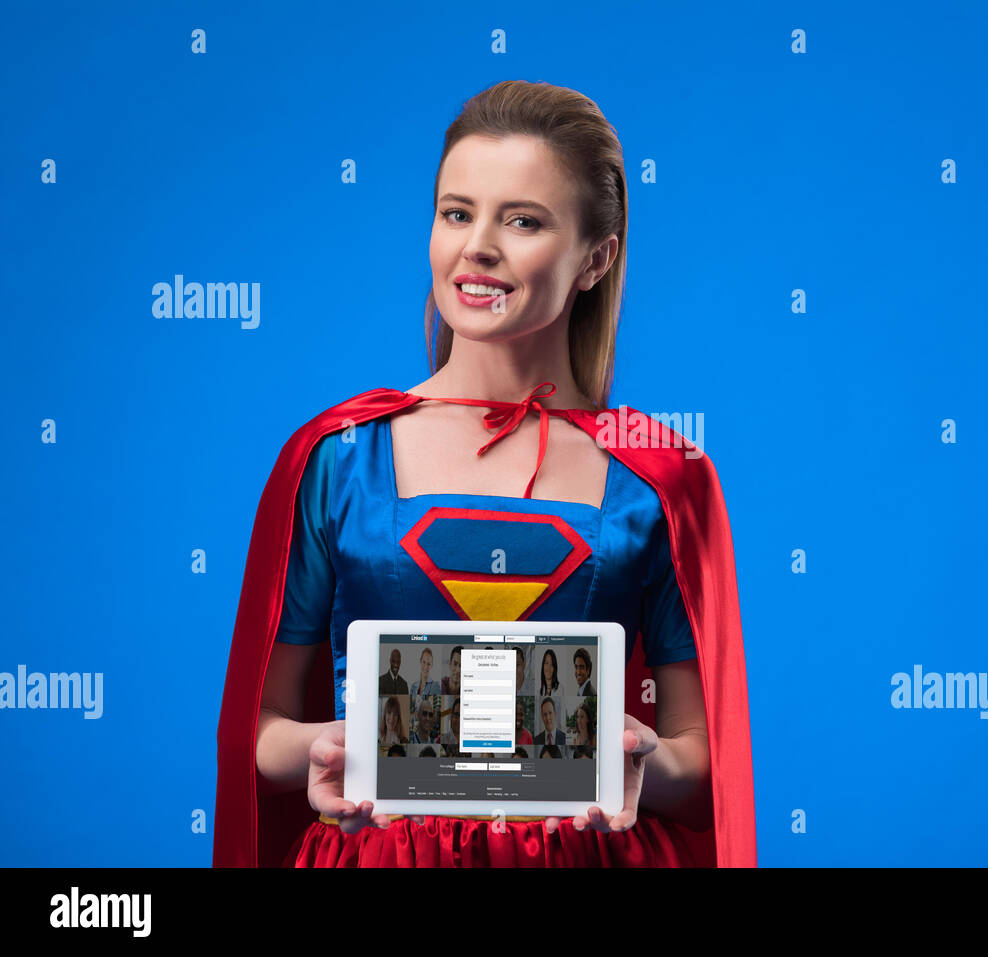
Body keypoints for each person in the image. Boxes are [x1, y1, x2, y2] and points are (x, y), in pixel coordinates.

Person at [216, 80, 755, 868]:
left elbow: (704, 759)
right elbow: (260, 732)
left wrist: (636, 755)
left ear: (596, 258)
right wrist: (329, 748)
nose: (478, 247)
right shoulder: (337, 457)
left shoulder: (662, 475)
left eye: (524, 220)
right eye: (457, 212)